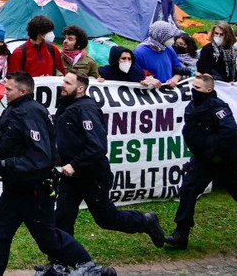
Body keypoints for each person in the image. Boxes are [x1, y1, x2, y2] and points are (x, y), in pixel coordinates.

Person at [0, 71, 113, 276]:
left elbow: (39, 157)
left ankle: (89, 267)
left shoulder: (31, 113)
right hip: (16, 188)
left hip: (35, 190)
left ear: (23, 91)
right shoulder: (14, 110)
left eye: (9, 89)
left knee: (48, 239)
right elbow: (15, 140)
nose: (4, 92)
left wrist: (4, 164)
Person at [54, 71, 164, 245]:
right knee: (62, 218)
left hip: (92, 175)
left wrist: (74, 164)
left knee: (106, 219)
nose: (63, 85)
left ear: (81, 89)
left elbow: (97, 146)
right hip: (71, 176)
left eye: (68, 83)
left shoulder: (85, 109)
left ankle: (145, 221)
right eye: (64, 81)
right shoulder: (66, 106)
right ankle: (58, 262)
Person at [164, 74, 237, 249]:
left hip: (224, 161)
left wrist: (212, 150)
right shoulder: (193, 106)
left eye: (197, 88)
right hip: (203, 161)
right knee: (188, 190)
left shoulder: (218, 107)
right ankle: (181, 234)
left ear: (209, 90)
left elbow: (230, 132)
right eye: (193, 86)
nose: (193, 90)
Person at [133, 21, 188, 85]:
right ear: (161, 36)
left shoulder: (168, 49)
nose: (173, 39)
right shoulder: (139, 53)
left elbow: (179, 70)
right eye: (170, 37)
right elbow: (134, 74)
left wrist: (175, 78)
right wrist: (147, 79)